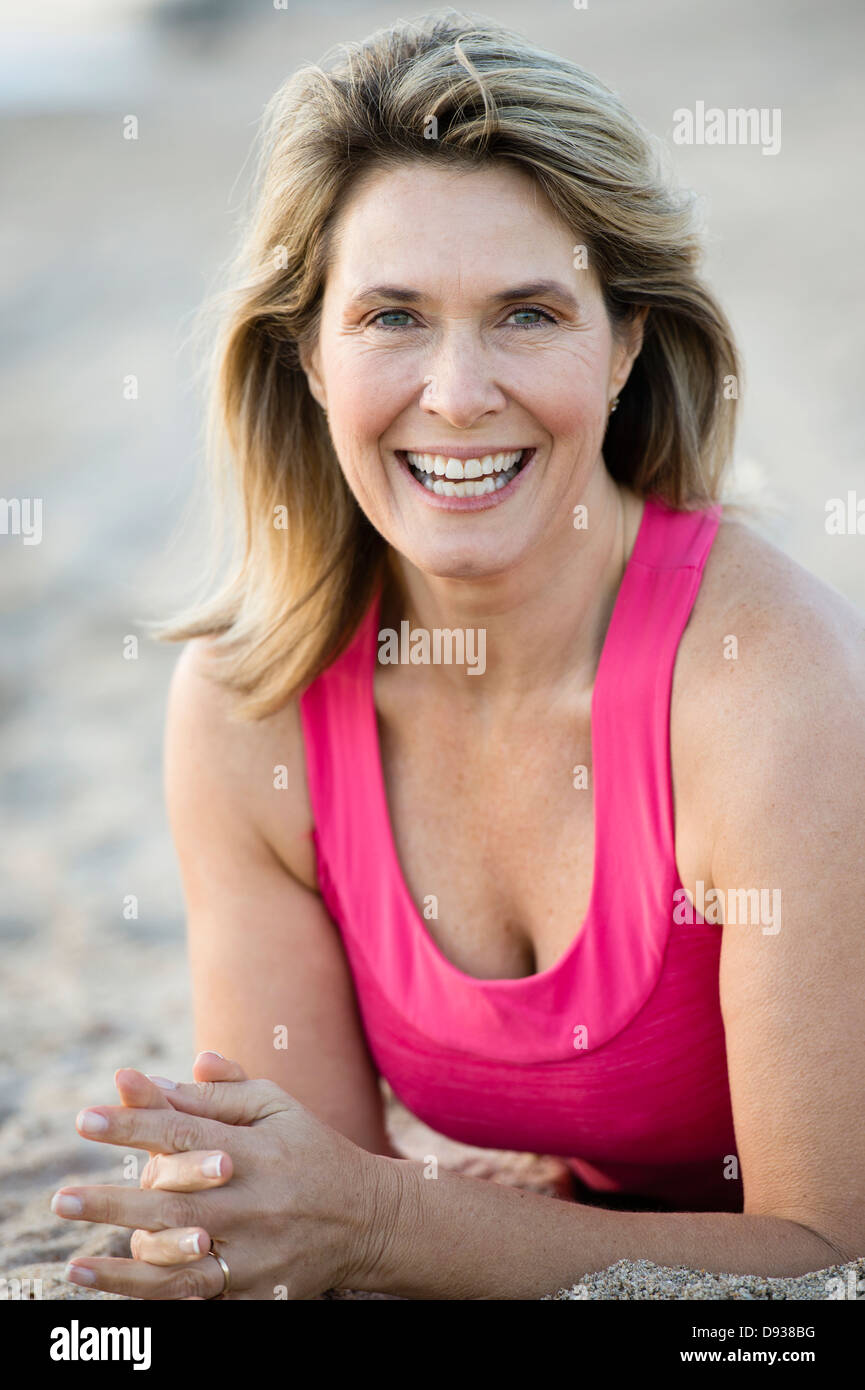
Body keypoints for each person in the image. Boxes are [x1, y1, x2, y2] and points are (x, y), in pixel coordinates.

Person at [49, 11, 865, 1299]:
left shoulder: (772, 686)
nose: (459, 392)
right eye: (391, 318)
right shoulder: (250, 710)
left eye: (530, 313)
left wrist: (390, 1222)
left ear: (628, 342)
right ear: (309, 356)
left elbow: (829, 1261)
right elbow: (304, 1203)